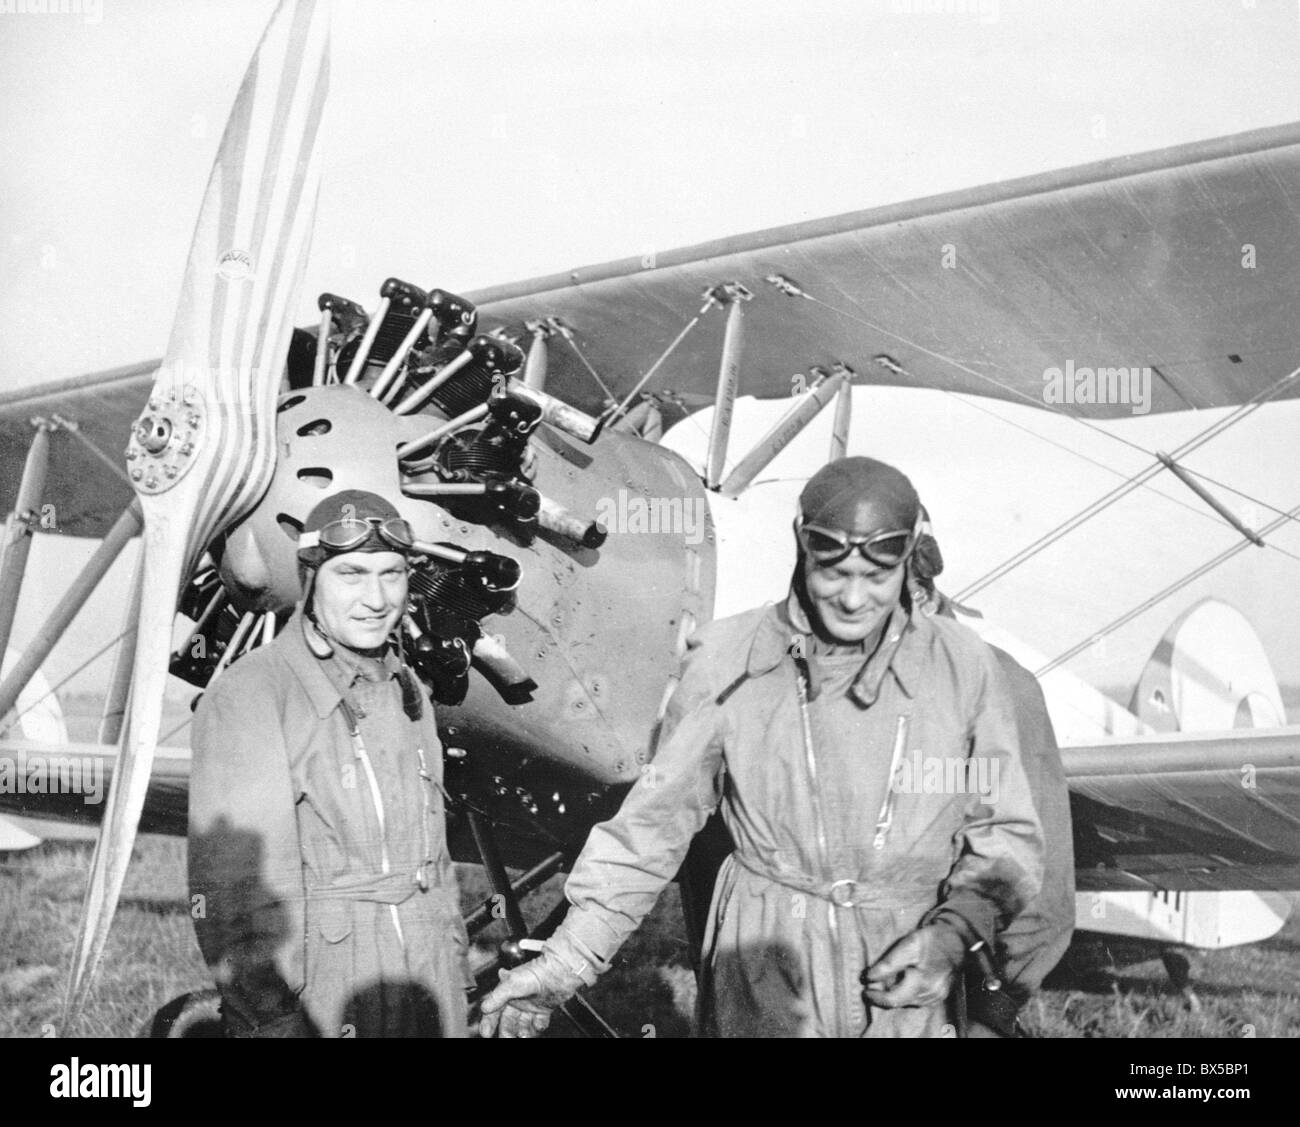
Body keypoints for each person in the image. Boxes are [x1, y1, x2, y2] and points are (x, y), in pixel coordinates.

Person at [481, 456, 1045, 1038]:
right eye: (834, 574)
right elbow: (651, 830)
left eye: (877, 578)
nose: (853, 600)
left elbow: (1008, 838)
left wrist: (950, 935)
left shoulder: (963, 667)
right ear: (802, 546)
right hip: (764, 969)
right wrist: (567, 962)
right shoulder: (728, 659)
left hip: (906, 976)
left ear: (908, 562)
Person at [188, 489, 470, 1037]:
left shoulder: (407, 689)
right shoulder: (253, 694)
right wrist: (272, 1019)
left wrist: (455, 979)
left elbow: (435, 864)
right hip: (329, 995)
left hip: (429, 984)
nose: (377, 597)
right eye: (353, 574)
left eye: (392, 573)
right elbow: (234, 896)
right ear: (312, 580)